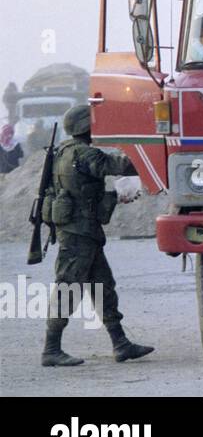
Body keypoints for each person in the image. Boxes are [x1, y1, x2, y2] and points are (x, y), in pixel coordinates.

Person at [40, 105, 153, 367]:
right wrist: (149, 151)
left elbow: (82, 192)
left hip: (85, 233)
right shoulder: (83, 153)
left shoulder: (65, 152)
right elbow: (119, 165)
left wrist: (113, 197)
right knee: (67, 287)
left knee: (103, 287)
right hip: (77, 235)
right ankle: (51, 350)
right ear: (85, 127)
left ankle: (121, 344)